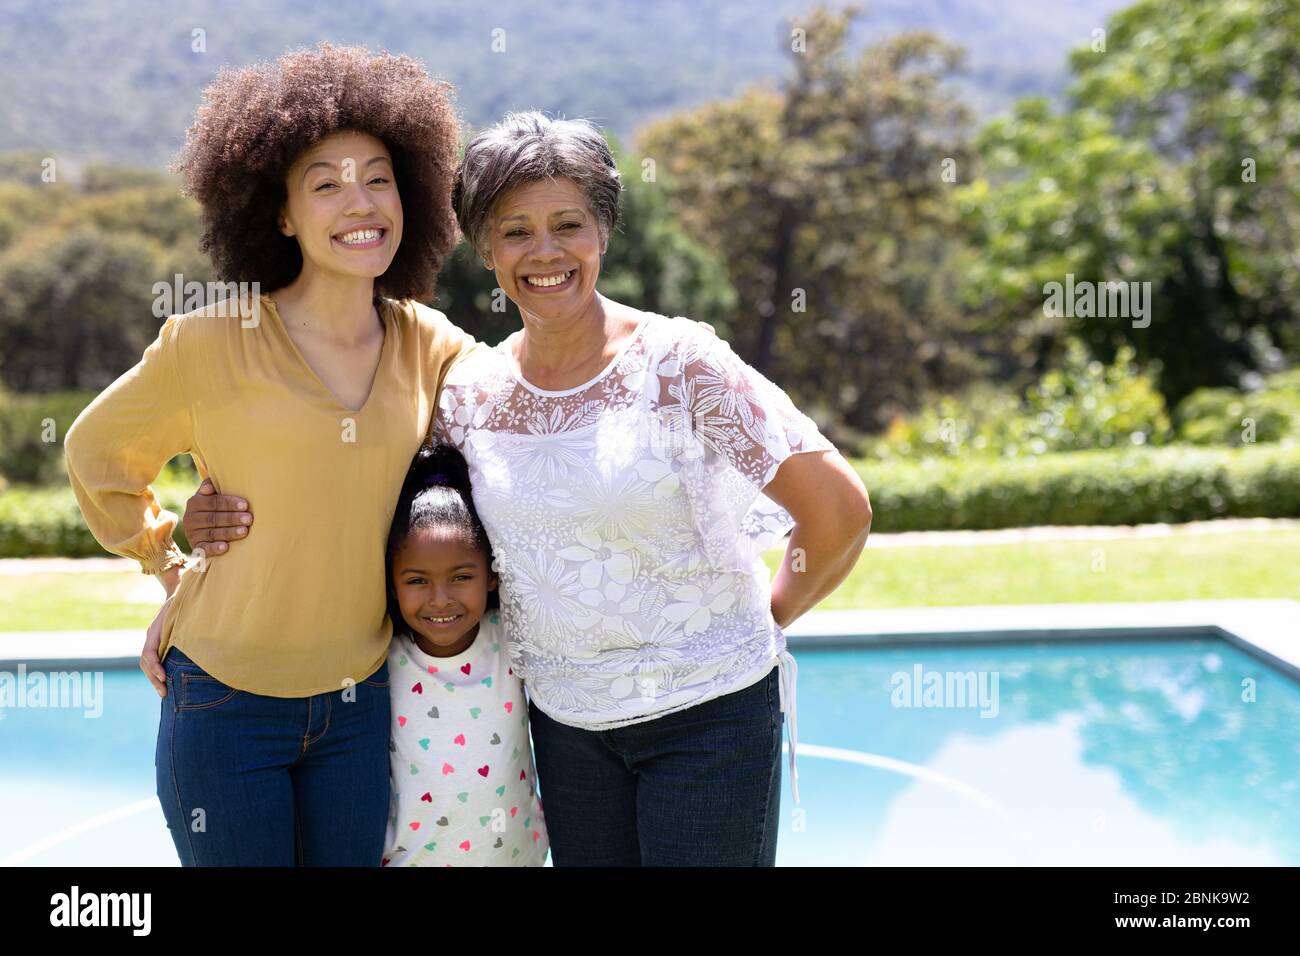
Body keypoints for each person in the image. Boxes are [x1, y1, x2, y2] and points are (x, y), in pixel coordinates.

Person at [182, 111, 873, 866]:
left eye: (568, 225)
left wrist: (763, 623)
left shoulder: (682, 364)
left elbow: (837, 512)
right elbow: (361, 505)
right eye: (515, 231)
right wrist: (205, 550)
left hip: (708, 720)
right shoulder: (471, 395)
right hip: (565, 731)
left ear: (603, 233)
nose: (545, 252)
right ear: (484, 248)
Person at [63, 44, 478, 865]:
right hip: (223, 706)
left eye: (379, 176)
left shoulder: (430, 345)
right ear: (280, 214)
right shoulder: (209, 341)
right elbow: (95, 452)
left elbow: (522, 416)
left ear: (413, 193)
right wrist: (169, 562)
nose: (360, 201)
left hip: (359, 704)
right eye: (325, 182)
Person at [380, 441, 548, 866]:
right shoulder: (382, 657)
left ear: (491, 576)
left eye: (460, 577)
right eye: (417, 580)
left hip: (515, 858)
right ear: (392, 585)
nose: (440, 599)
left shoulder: (510, 637)